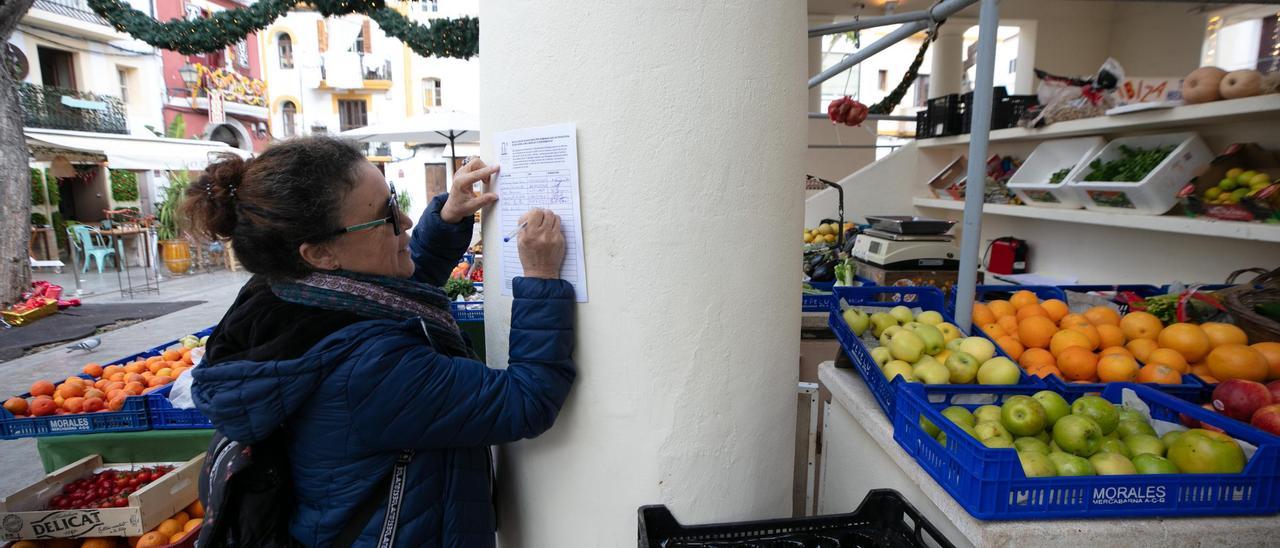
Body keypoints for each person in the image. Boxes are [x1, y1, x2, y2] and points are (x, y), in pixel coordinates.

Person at [183, 136, 574, 547]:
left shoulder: (286, 295)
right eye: (386, 214)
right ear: (320, 254)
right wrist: (541, 279)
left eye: (394, 200)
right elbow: (525, 399)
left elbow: (392, 294)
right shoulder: (370, 369)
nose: (405, 221)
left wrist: (446, 220)